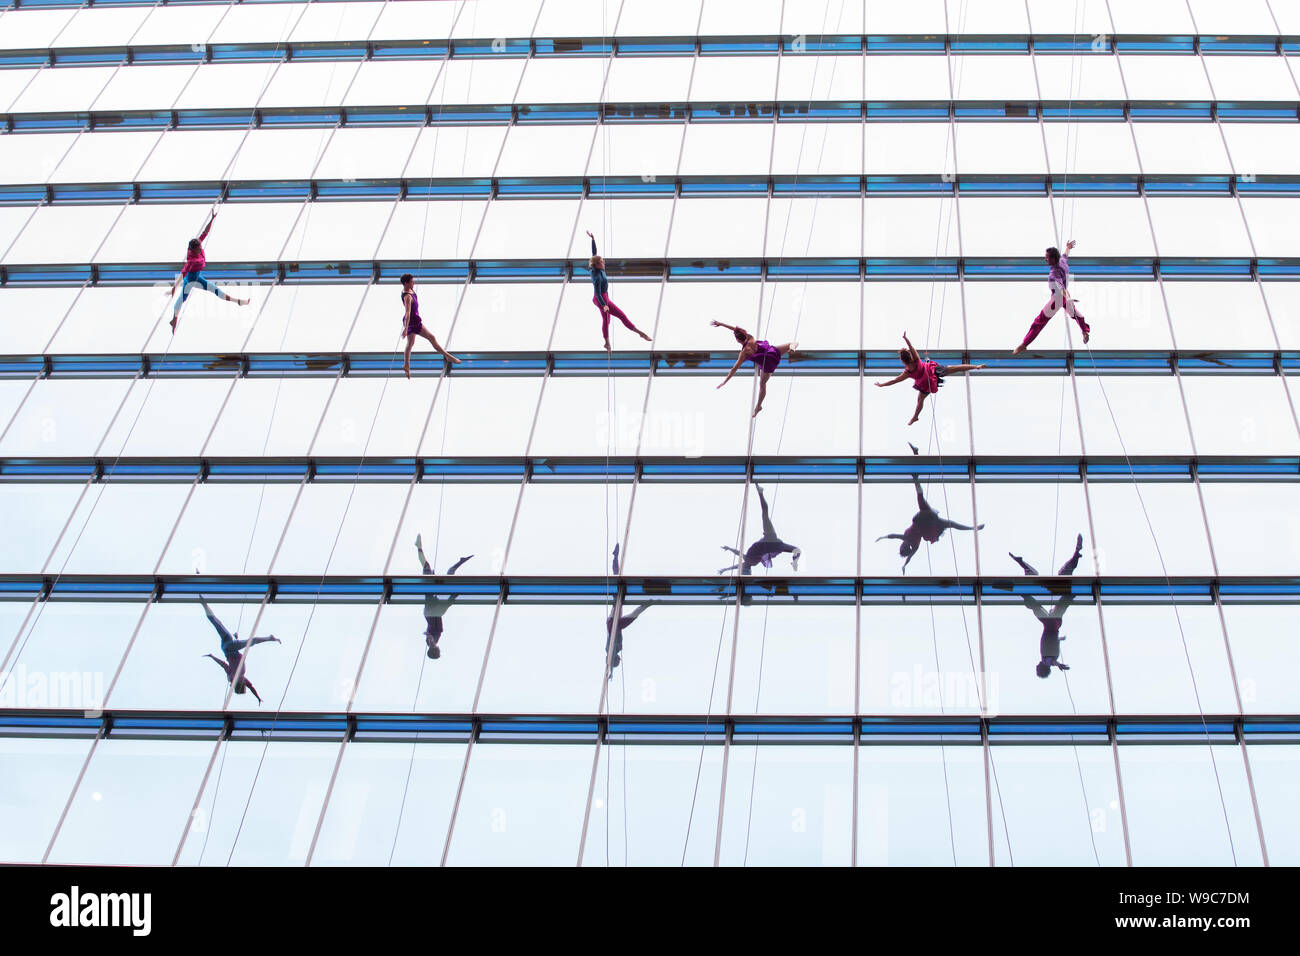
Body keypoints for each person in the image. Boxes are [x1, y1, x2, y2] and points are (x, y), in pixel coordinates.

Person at [876, 443, 983, 572]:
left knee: (948, 521)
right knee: (930, 506)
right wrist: (884, 539)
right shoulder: (910, 542)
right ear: (904, 547)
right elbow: (897, 540)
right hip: (926, 521)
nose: (905, 547)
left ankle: (916, 462)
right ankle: (972, 528)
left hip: (925, 521)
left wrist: (884, 540)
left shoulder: (912, 544)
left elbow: (904, 549)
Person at [1009, 533, 1085, 678]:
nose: (1037, 665)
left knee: (1060, 601)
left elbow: (1052, 653)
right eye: (1038, 668)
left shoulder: (1049, 659)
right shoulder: (1047, 660)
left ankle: (1075, 557)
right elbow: (1050, 661)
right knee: (1035, 605)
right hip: (1050, 625)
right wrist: (1058, 664)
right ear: (1041, 668)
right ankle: (1017, 586)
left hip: (1054, 624)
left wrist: (1059, 643)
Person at [875, 333, 986, 426]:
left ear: (903, 361)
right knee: (954, 368)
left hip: (926, 381)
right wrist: (906, 339)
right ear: (909, 356)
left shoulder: (907, 373)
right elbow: (911, 347)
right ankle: (976, 367)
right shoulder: (916, 360)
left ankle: (915, 417)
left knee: (920, 401)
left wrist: (882, 385)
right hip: (933, 371)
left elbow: (894, 381)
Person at [170, 205, 250, 333]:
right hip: (190, 280)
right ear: (194, 249)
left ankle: (238, 301)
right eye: (199, 248)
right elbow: (184, 272)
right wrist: (174, 286)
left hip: (197, 277)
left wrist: (212, 219)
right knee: (182, 299)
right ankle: (174, 319)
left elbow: (205, 233)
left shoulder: (197, 245)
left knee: (215, 290)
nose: (201, 248)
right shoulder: (192, 260)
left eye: (200, 246)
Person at [711, 320, 807, 417]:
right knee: (793, 343)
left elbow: (734, 369)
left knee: (762, 384)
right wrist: (721, 324)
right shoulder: (750, 337)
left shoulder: (744, 353)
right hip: (772, 352)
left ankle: (758, 407)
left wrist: (725, 381)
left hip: (767, 363)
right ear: (744, 333)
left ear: (737, 340)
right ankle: (792, 348)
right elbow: (736, 330)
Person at [1012, 239, 1090, 355]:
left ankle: (1024, 344)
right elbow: (1065, 255)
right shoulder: (1062, 261)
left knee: (1039, 321)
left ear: (1053, 259)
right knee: (1076, 314)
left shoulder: (1054, 273)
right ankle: (1084, 331)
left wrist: (1068, 298)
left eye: (1047, 257)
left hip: (1057, 299)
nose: (1045, 259)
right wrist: (1068, 247)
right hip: (1063, 298)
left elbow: (1061, 287)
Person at [199, 597, 279, 704]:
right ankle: (204, 604)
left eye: (243, 684)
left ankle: (270, 638)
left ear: (239, 684)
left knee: (252, 641)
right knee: (217, 623)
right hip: (229, 647)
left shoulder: (233, 677)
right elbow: (251, 688)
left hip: (229, 649)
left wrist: (212, 657)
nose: (245, 682)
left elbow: (223, 664)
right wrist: (258, 698)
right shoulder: (242, 678)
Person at [587, 231, 652, 352]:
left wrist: (593, 239)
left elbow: (594, 253)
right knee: (606, 320)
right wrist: (604, 305)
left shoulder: (596, 266)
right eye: (602, 262)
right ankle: (607, 343)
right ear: (596, 265)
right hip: (600, 298)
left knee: (621, 316)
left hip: (605, 297)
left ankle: (639, 333)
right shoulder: (595, 276)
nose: (604, 262)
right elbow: (597, 293)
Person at [719, 483, 802, 574]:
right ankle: (760, 493)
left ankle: (794, 563)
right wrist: (729, 552)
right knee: (765, 514)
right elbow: (738, 555)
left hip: (773, 546)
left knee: (797, 550)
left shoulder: (750, 562)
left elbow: (738, 559)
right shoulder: (747, 560)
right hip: (770, 542)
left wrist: (726, 568)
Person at [415, 533, 473, 660]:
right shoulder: (434, 642)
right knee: (447, 585)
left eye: (438, 652)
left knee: (450, 597)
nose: (439, 650)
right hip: (434, 611)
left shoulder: (431, 643)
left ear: (434, 651)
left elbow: (431, 641)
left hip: (432, 612)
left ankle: (419, 547)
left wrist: (430, 639)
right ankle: (458, 563)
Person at [400, 274, 461, 379]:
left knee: (410, 343)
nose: (413, 283)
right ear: (405, 283)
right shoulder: (407, 296)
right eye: (411, 282)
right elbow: (408, 312)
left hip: (414, 321)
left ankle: (406, 365)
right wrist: (405, 328)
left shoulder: (410, 291)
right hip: (413, 323)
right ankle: (448, 356)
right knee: (430, 338)